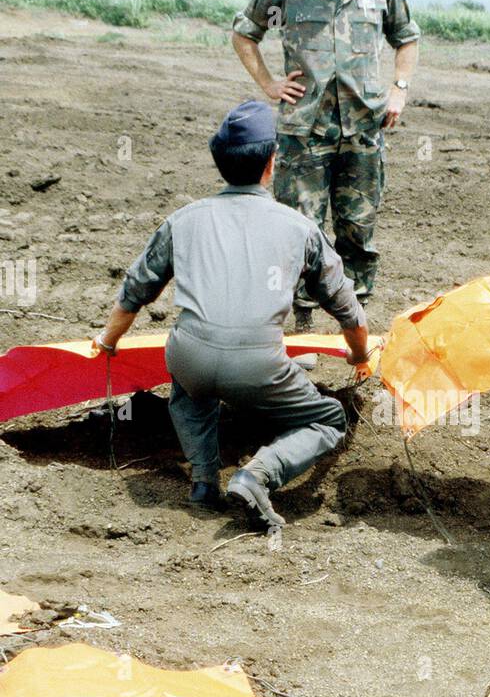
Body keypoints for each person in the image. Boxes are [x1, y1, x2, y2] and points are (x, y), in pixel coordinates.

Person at [95, 101, 369, 530]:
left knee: (188, 391)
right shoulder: (298, 227)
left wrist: (108, 341)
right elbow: (348, 310)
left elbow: (135, 291)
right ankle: (258, 474)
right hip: (258, 365)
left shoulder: (183, 219)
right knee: (328, 419)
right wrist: (359, 356)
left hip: (190, 355)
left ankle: (203, 481)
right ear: (271, 164)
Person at [231, 0, 420, 362]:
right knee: (300, 230)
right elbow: (243, 32)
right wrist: (268, 84)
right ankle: (301, 330)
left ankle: (353, 326)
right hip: (303, 131)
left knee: (357, 228)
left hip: (362, 130)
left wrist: (399, 89)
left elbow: (407, 37)